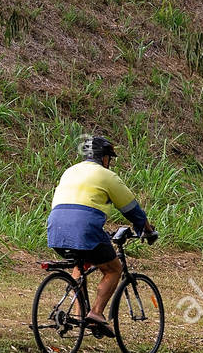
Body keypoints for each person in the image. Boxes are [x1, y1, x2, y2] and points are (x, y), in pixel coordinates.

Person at [47, 136, 157, 337]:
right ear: (104, 158)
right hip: (85, 229)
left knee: (81, 264)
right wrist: (148, 231)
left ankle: (81, 315)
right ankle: (96, 312)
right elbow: (133, 211)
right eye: (109, 157)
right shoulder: (107, 176)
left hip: (55, 229)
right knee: (114, 269)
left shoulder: (70, 171)